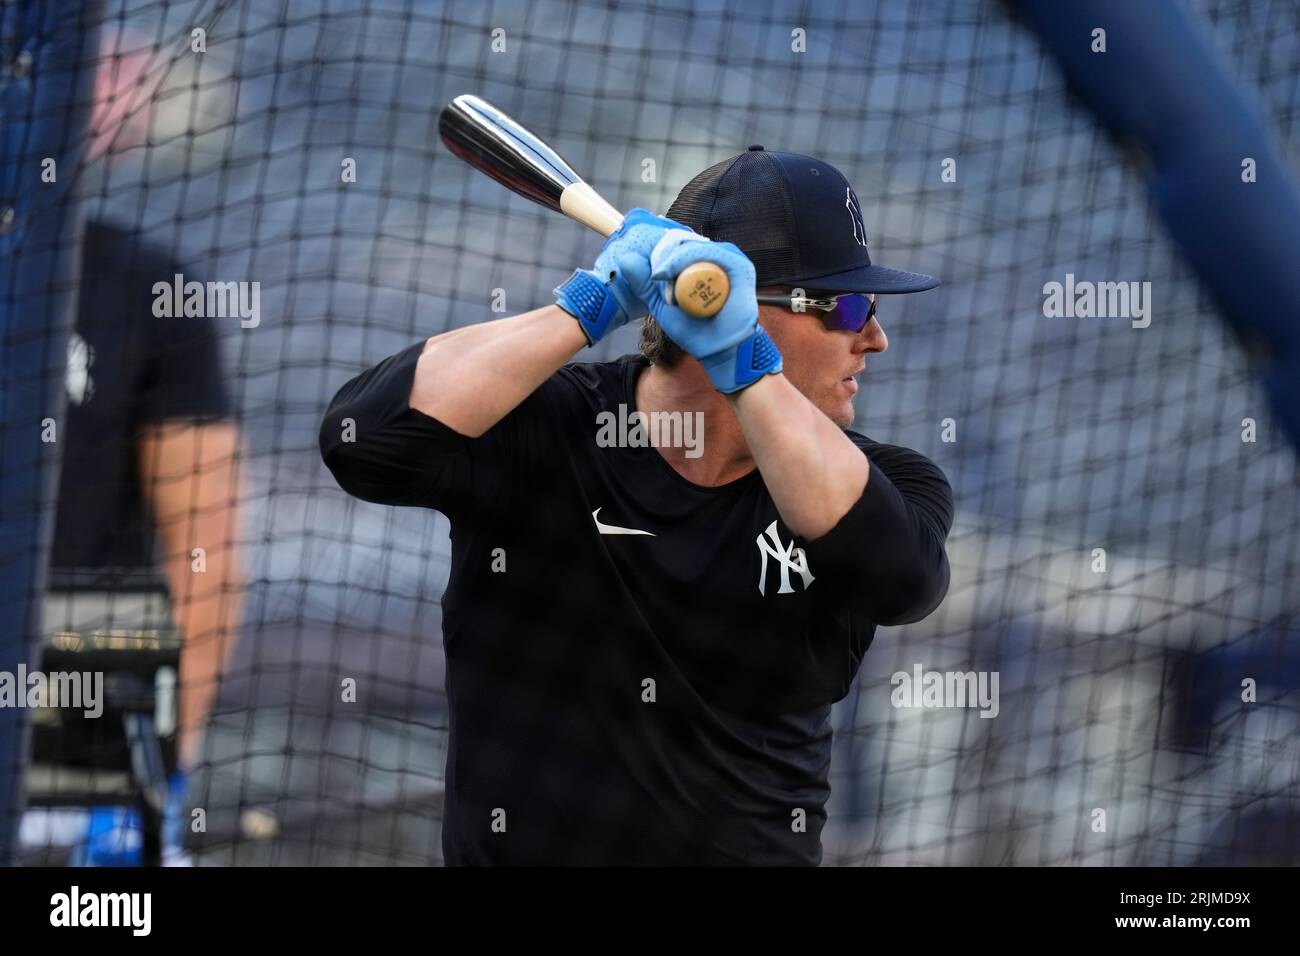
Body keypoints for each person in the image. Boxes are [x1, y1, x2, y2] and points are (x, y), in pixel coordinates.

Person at [321, 146, 953, 865]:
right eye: (846, 305)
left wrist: (744, 359)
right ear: (750, 301)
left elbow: (903, 580)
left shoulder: (889, 480)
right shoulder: (551, 428)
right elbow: (361, 441)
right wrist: (593, 303)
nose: (875, 335)